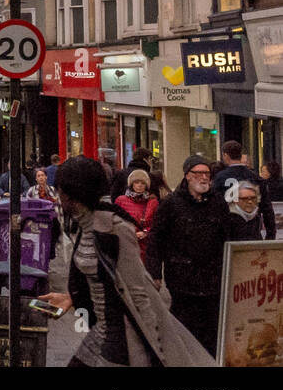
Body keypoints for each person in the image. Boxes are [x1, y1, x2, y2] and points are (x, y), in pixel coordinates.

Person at [41, 156, 214, 366]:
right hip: (99, 333)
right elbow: (100, 277)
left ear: (73, 193)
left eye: (60, 190)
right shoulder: (82, 226)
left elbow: (138, 292)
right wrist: (71, 298)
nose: (58, 196)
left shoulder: (114, 228)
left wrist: (156, 352)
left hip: (121, 340)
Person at [146, 155, 233, 355]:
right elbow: (156, 239)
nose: (204, 178)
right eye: (198, 173)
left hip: (213, 278)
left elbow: (227, 237)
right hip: (182, 279)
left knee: (212, 328)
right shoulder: (171, 204)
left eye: (207, 174)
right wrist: (155, 273)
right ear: (187, 176)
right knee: (184, 326)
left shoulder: (218, 203)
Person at [211, 140, 276, 240]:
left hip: (228, 233)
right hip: (252, 231)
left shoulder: (220, 178)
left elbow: (214, 206)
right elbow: (267, 209)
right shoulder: (255, 177)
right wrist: (270, 235)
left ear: (225, 155)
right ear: (240, 155)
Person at [113, 169, 160, 263]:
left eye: (142, 183)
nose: (139, 185)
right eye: (136, 182)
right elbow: (114, 220)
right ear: (131, 184)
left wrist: (146, 232)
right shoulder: (121, 200)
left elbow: (157, 223)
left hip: (145, 247)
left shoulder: (152, 203)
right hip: (125, 244)